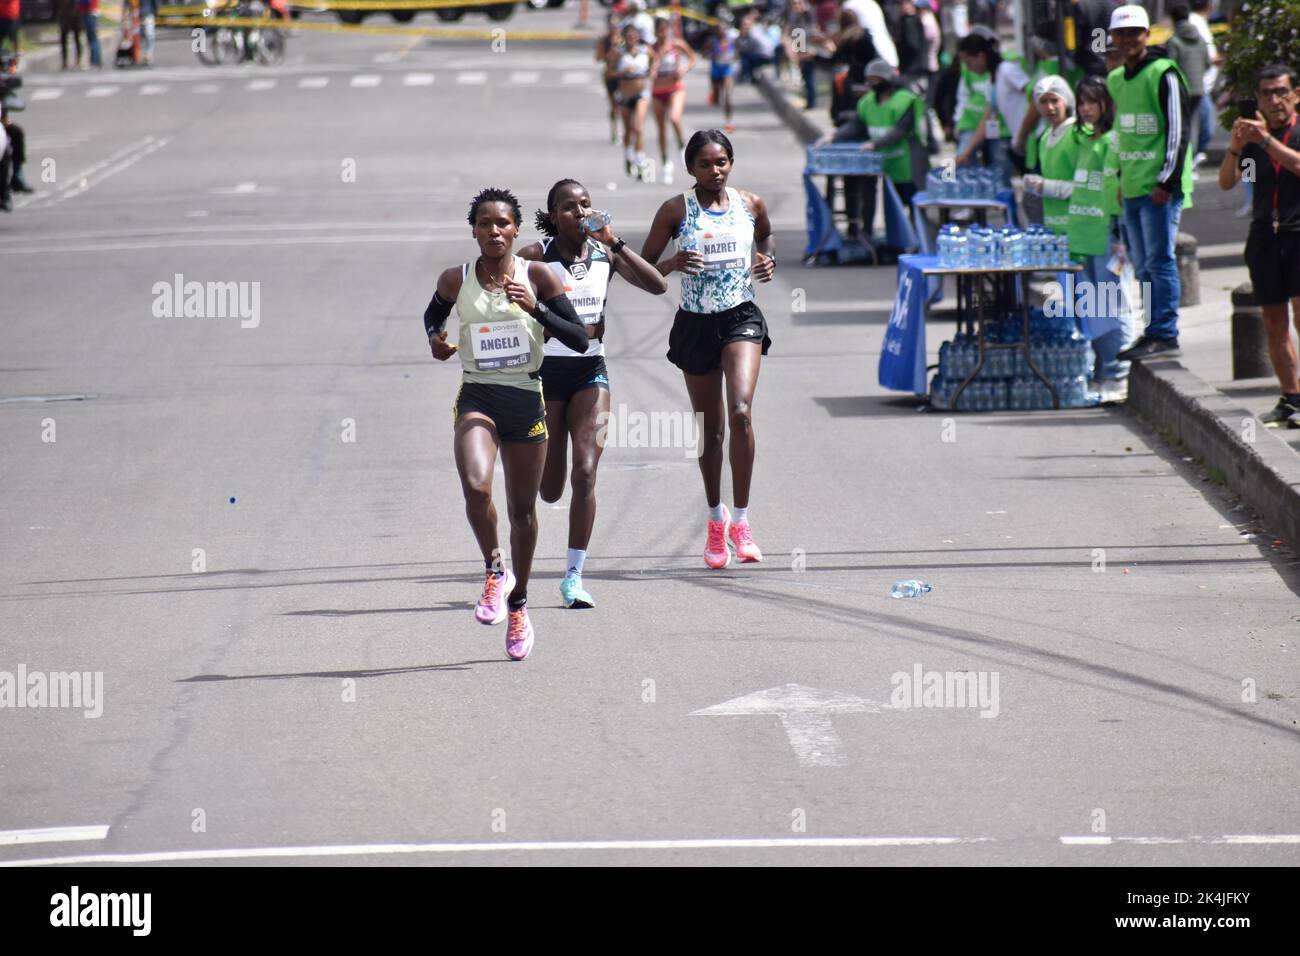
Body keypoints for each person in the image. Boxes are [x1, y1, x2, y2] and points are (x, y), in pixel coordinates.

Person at [423, 188, 591, 661]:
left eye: (502, 224)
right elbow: (432, 316)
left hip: (526, 398)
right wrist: (435, 339)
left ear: (517, 230)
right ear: (473, 230)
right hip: (477, 393)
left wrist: (534, 307)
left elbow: (579, 338)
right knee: (477, 486)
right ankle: (495, 570)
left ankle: (519, 604)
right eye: (484, 224)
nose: (494, 231)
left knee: (523, 512)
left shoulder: (537, 274)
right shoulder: (456, 279)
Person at [519, 181, 668, 608]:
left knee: (585, 472)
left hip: (590, 373)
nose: (580, 212)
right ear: (552, 217)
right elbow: (493, 276)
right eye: (568, 207)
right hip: (545, 375)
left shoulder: (605, 253)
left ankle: (573, 577)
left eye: (585, 204)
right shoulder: (535, 257)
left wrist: (615, 242)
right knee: (548, 489)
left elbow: (657, 285)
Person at [641, 130, 776, 569]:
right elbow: (644, 270)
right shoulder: (676, 210)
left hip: (740, 317)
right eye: (705, 164)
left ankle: (742, 520)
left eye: (721, 162)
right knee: (712, 429)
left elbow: (766, 239)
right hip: (695, 324)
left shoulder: (750, 203)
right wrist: (672, 264)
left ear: (730, 163)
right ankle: (715, 519)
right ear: (690, 168)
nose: (715, 171)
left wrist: (765, 260)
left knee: (741, 411)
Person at [1030, 76, 1132, 403]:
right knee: (1092, 305)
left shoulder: (1111, 141)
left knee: (1111, 302)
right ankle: (1103, 372)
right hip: (1083, 231)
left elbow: (1118, 187)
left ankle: (1118, 373)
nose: (1086, 109)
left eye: (1092, 102)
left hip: (1107, 233)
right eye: (1083, 101)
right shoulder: (1087, 139)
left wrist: (1120, 232)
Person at [1107, 3, 1194, 361]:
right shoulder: (1115, 80)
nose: (1128, 40)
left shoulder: (1164, 73)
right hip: (1131, 186)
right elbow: (1121, 135)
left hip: (1159, 187)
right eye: (1121, 34)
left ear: (1146, 35)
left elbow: (1178, 128)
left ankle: (1164, 331)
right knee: (1142, 265)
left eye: (1134, 33)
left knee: (1160, 260)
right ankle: (1151, 329)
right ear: (1112, 38)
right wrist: (1118, 177)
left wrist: (1167, 180)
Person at [1218, 63, 1300, 428]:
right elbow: (1229, 182)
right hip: (1265, 235)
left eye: (1281, 91)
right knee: (1273, 323)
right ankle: (1292, 397)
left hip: (1299, 234)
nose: (1274, 99)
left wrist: (1268, 140)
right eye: (1267, 93)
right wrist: (1236, 148)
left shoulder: (1293, 134)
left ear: (1295, 94)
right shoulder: (1252, 143)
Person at [954, 25, 1028, 185]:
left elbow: (1033, 95)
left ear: (980, 56)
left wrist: (1024, 133)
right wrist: (966, 152)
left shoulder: (1007, 71)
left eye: (968, 62)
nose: (968, 68)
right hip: (1019, 139)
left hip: (1027, 138)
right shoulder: (994, 79)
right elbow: (987, 118)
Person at [857, 58, 927, 214]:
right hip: (887, 164)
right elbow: (857, 124)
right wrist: (834, 135)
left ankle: (919, 236)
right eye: (869, 80)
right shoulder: (867, 102)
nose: (872, 84)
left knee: (914, 205)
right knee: (893, 210)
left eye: (875, 80)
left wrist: (875, 144)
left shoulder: (904, 99)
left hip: (908, 164)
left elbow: (900, 130)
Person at [649, 16, 696, 185]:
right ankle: (665, 163)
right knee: (661, 128)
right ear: (655, 32)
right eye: (659, 31)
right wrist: (656, 59)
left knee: (675, 118)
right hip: (658, 90)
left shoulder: (677, 45)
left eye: (665, 30)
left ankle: (683, 149)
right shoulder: (651, 49)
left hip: (675, 88)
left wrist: (684, 69)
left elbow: (692, 59)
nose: (662, 34)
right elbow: (649, 71)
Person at [1166, 3, 1209, 163]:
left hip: (1180, 89)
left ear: (1172, 19)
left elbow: (1169, 66)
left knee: (1179, 126)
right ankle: (1192, 160)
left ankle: (1182, 160)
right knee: (1193, 125)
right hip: (1198, 87)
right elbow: (1208, 63)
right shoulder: (1200, 38)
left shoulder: (1174, 40)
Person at [611, 23, 652, 181]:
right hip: (625, 95)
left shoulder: (645, 51)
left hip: (641, 93)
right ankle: (628, 156)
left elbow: (655, 59)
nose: (631, 39)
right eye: (628, 37)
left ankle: (640, 163)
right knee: (628, 130)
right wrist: (621, 72)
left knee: (638, 128)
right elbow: (609, 71)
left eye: (634, 36)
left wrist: (652, 70)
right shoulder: (618, 53)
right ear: (624, 38)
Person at [1189, 0, 1221, 166]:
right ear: (1209, 6)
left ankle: (1194, 158)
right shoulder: (1196, 23)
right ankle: (1193, 160)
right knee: (1203, 127)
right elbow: (1204, 56)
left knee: (1202, 127)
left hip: (1202, 87)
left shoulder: (1198, 22)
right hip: (1198, 87)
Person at [706, 16, 739, 132]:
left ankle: (728, 121)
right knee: (716, 100)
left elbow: (737, 52)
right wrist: (712, 54)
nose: (721, 31)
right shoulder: (712, 41)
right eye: (719, 29)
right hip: (716, 70)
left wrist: (733, 58)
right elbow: (705, 54)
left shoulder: (732, 40)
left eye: (723, 28)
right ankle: (713, 96)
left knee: (728, 96)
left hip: (727, 69)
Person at [842, 0, 898, 67]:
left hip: (874, 55)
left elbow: (847, 27)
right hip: (889, 53)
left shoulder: (850, 4)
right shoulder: (872, 3)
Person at [597, 13, 623, 145]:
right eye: (611, 25)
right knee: (614, 106)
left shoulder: (624, 39)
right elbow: (598, 58)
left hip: (623, 77)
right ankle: (615, 131)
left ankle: (626, 130)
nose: (614, 27)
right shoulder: (605, 40)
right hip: (609, 76)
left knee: (624, 104)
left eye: (616, 24)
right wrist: (609, 54)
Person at [55, 0, 83, 70]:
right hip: (64, 18)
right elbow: (56, 6)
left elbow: (77, 5)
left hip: (75, 18)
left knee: (77, 39)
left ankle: (78, 61)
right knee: (64, 41)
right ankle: (65, 62)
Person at [79, 0, 101, 70]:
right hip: (91, 12)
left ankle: (95, 61)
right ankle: (95, 61)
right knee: (92, 39)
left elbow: (85, 1)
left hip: (90, 12)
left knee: (92, 39)